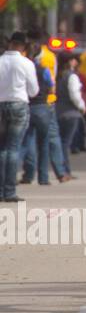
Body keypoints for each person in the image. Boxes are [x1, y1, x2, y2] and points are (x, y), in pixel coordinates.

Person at [19, 31, 60, 185]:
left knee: (25, 142)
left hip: (26, 106)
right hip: (44, 107)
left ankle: (20, 173)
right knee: (43, 144)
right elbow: (51, 87)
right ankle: (43, 178)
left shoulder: (22, 66)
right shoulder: (44, 68)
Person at [0, 32, 37, 203]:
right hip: (18, 105)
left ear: (10, 43)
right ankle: (9, 191)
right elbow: (33, 91)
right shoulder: (26, 63)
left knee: (1, 149)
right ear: (22, 46)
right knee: (13, 148)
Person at [54, 50, 86, 181]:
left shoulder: (57, 75)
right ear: (70, 61)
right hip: (71, 113)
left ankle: (61, 170)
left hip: (57, 112)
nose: (76, 62)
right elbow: (75, 95)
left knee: (60, 142)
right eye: (74, 59)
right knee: (65, 143)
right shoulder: (72, 76)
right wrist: (82, 107)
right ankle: (65, 170)